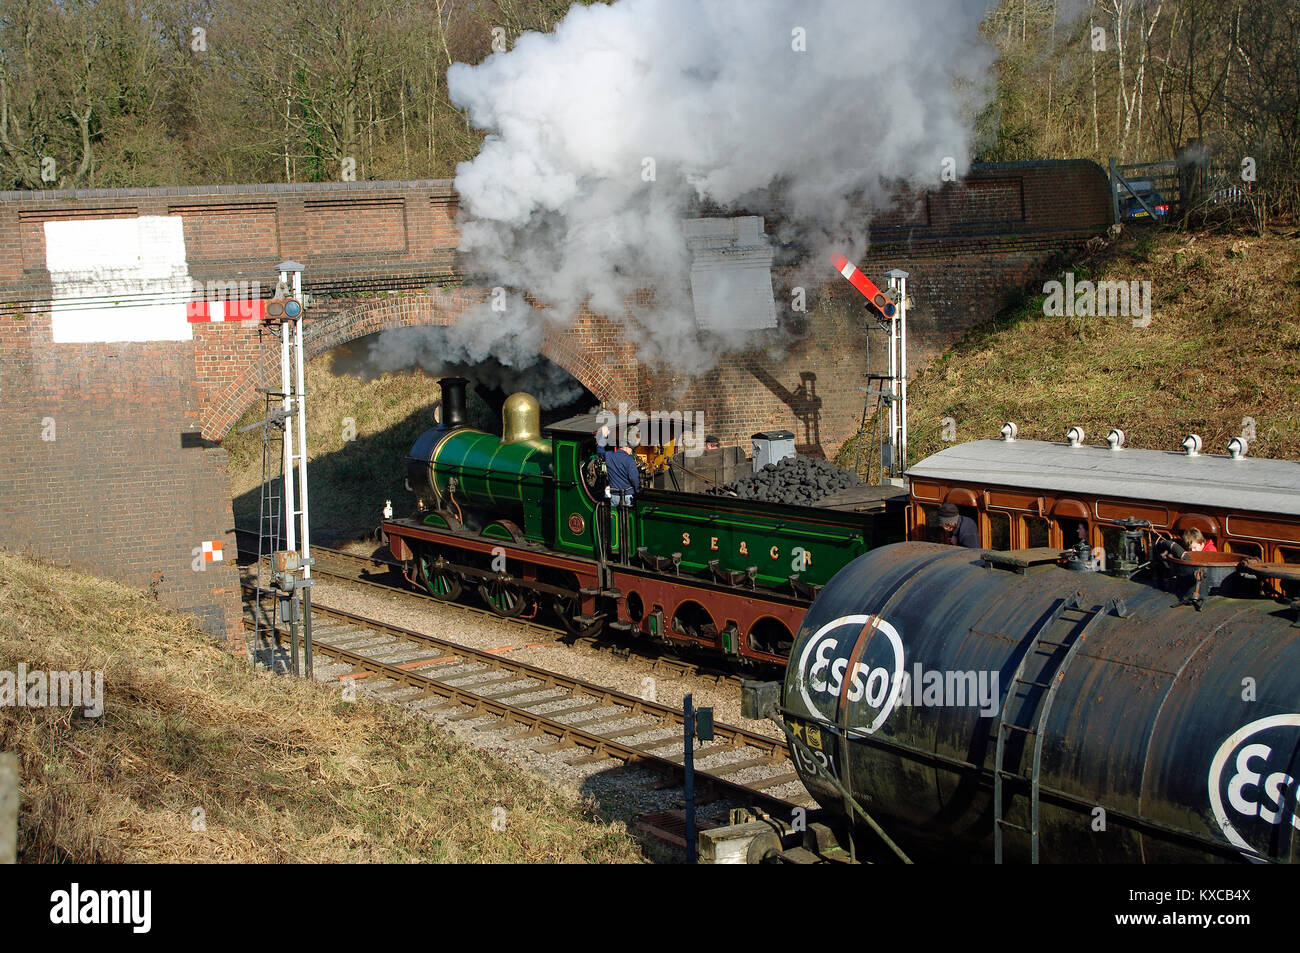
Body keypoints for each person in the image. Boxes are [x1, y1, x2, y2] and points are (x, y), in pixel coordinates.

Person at [596, 425, 640, 505]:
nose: (631, 452)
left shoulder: (609, 456)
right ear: (626, 447)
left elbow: (599, 450)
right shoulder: (629, 460)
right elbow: (634, 478)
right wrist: (638, 491)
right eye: (631, 449)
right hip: (627, 496)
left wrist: (604, 436)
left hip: (614, 496)